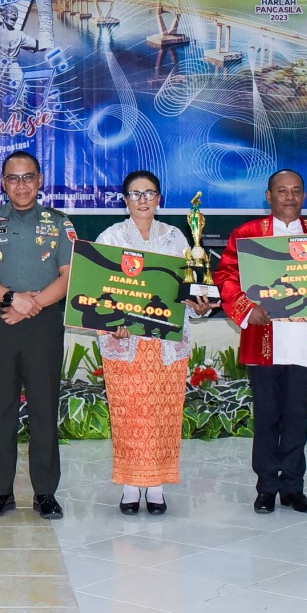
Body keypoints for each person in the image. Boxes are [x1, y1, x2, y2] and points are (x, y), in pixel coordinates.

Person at [214, 169, 307, 514]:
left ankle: (294, 487)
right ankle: (266, 487)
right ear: (269, 196)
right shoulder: (248, 235)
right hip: (265, 340)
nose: (290, 197)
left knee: (297, 417)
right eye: (282, 191)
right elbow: (226, 276)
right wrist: (247, 309)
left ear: (304, 196)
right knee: (267, 417)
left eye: (296, 190)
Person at [96, 170, 215, 515]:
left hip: (166, 345)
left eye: (149, 193)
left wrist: (200, 306)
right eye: (135, 194)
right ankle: (131, 486)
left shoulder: (177, 239)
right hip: (128, 344)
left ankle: (158, 487)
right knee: (131, 417)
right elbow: (98, 290)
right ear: (125, 200)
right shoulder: (111, 236)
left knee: (163, 416)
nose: (143, 200)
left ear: (159, 198)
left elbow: (187, 292)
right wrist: (111, 325)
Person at [0, 150, 75, 519]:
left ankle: (45, 492)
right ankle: (0, 492)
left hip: (44, 321)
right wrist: (13, 299)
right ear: (3, 183)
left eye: (28, 177)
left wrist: (33, 304)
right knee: (0, 407)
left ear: (40, 180)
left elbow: (69, 275)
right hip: (0, 319)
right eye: (13, 178)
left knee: (44, 406)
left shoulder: (59, 223)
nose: (21, 185)